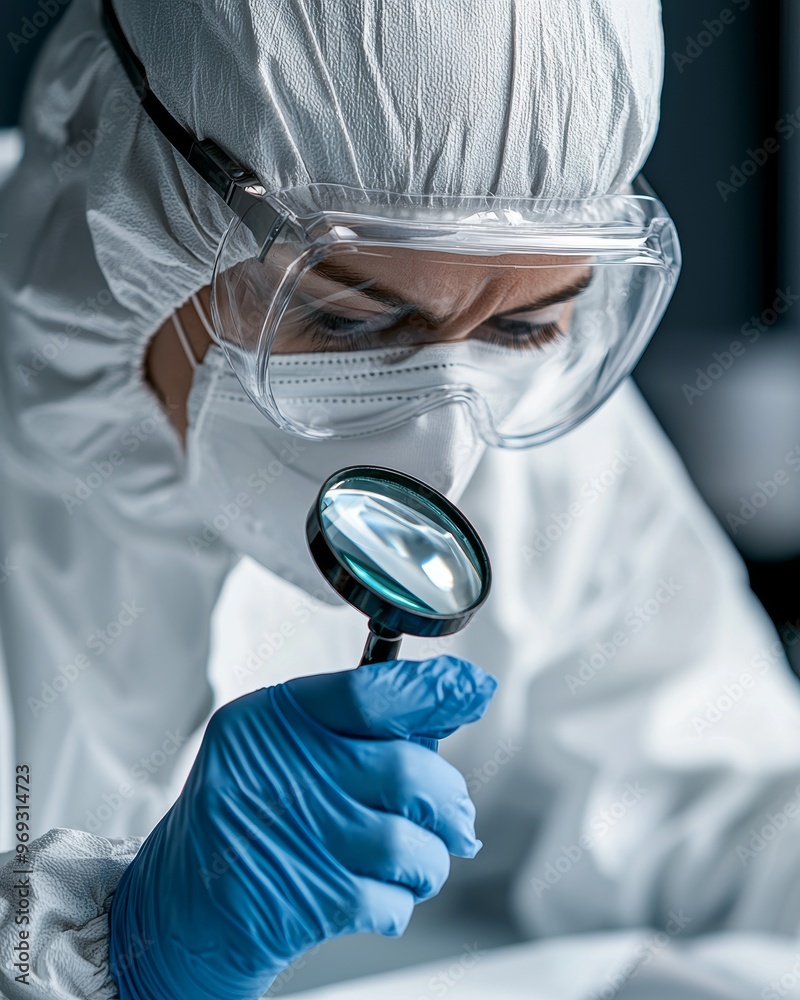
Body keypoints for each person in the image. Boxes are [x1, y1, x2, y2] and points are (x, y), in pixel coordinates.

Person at [1, 0, 800, 997]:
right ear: (132, 203)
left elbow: (731, 815)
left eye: (519, 331)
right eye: (345, 321)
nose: (445, 453)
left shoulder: (536, 412)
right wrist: (113, 955)